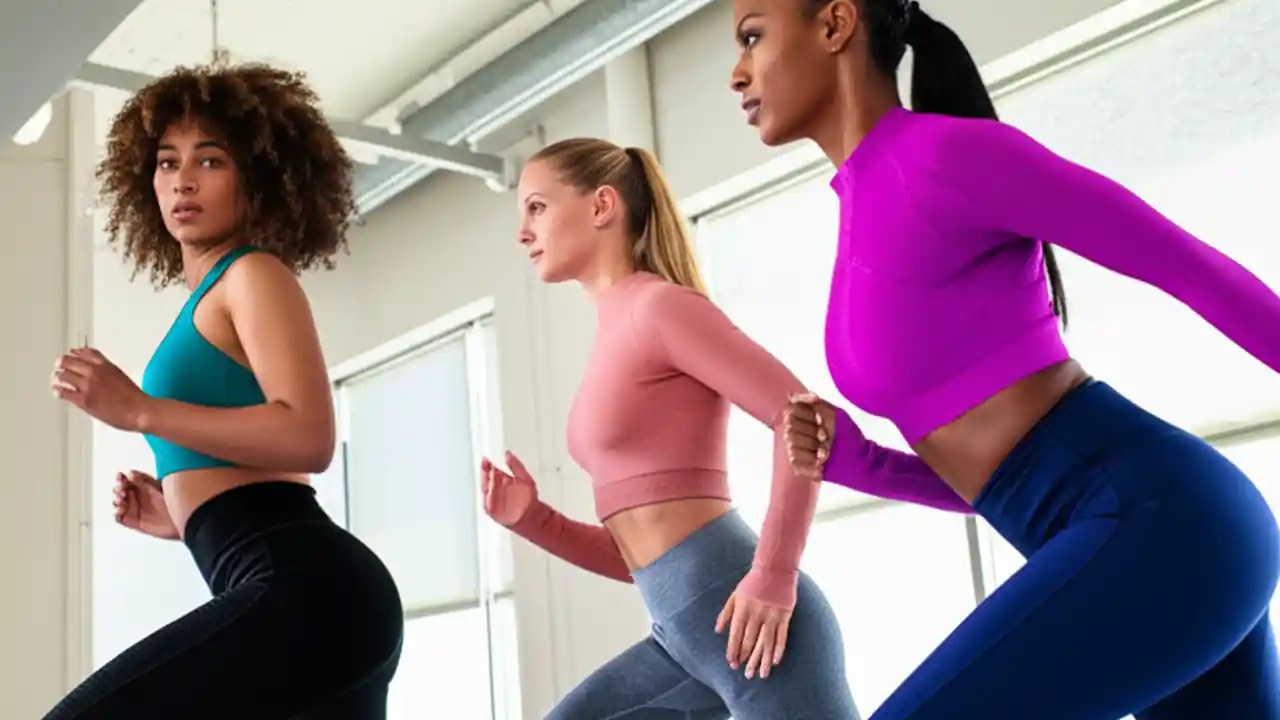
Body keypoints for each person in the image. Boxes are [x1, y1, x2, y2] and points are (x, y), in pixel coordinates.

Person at [730, 1, 1280, 718]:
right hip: (1130, 535)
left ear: (835, 25)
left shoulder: (946, 157)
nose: (737, 74)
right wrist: (861, 463)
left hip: (1162, 521)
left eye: (752, 37)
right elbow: (997, 483)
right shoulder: (861, 200)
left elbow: (1181, 263)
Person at [44, 63, 404, 719]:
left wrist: (140, 410)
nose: (181, 179)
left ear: (257, 177)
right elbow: (262, 469)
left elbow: (308, 436)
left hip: (308, 586)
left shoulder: (253, 274)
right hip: (309, 589)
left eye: (210, 160)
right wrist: (184, 517)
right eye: (166, 161)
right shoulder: (210, 298)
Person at [480, 137, 860, 719]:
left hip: (758, 629)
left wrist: (775, 574)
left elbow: (803, 417)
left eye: (537, 207)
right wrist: (534, 520)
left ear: (602, 205)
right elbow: (647, 559)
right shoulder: (614, 328)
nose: (522, 233)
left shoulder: (659, 309)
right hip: (685, 637)